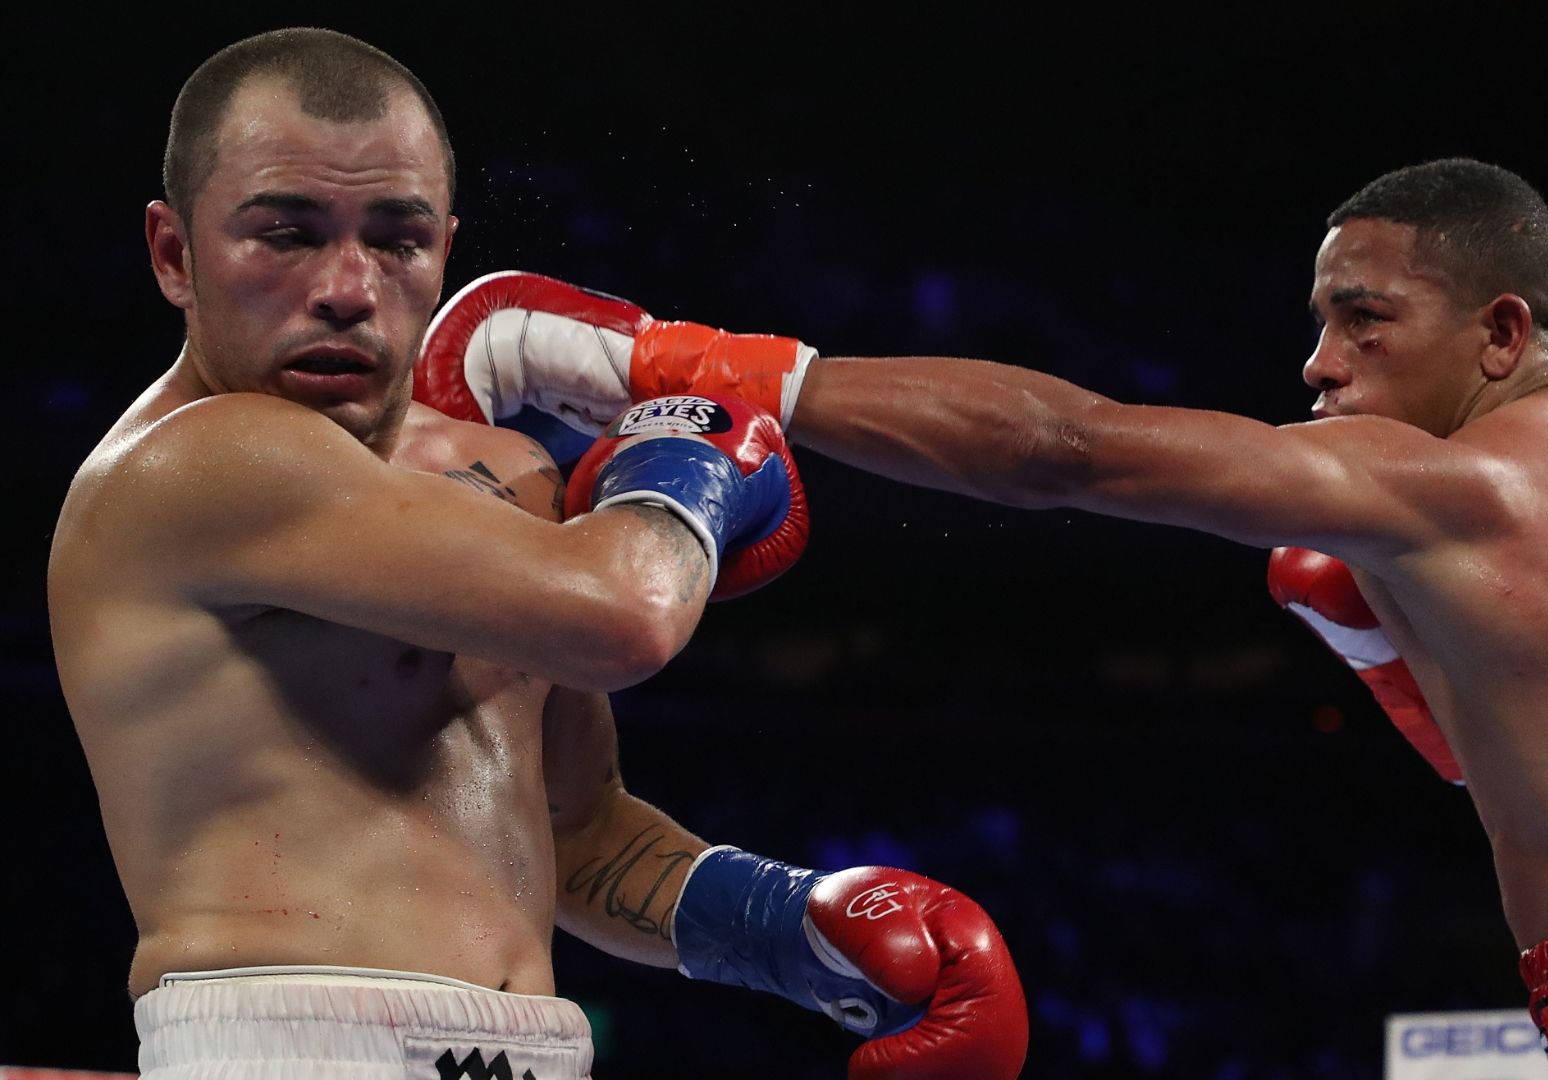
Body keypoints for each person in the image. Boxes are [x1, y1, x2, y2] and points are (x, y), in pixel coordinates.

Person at [442, 158, 1548, 1078]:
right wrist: (1400, 663)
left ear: (1504, 333)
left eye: (1365, 318)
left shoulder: (1453, 489)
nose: (1321, 363)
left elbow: (1066, 452)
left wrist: (671, 357)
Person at [47, 27, 1025, 1080]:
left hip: (535, 1053)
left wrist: (794, 928)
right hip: (296, 1044)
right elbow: (626, 614)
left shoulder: (501, 476)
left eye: (396, 238)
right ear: (174, 255)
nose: (345, 285)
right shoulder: (204, 460)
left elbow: (579, 830)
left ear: (444, 252)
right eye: (284, 235)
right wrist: (694, 459)